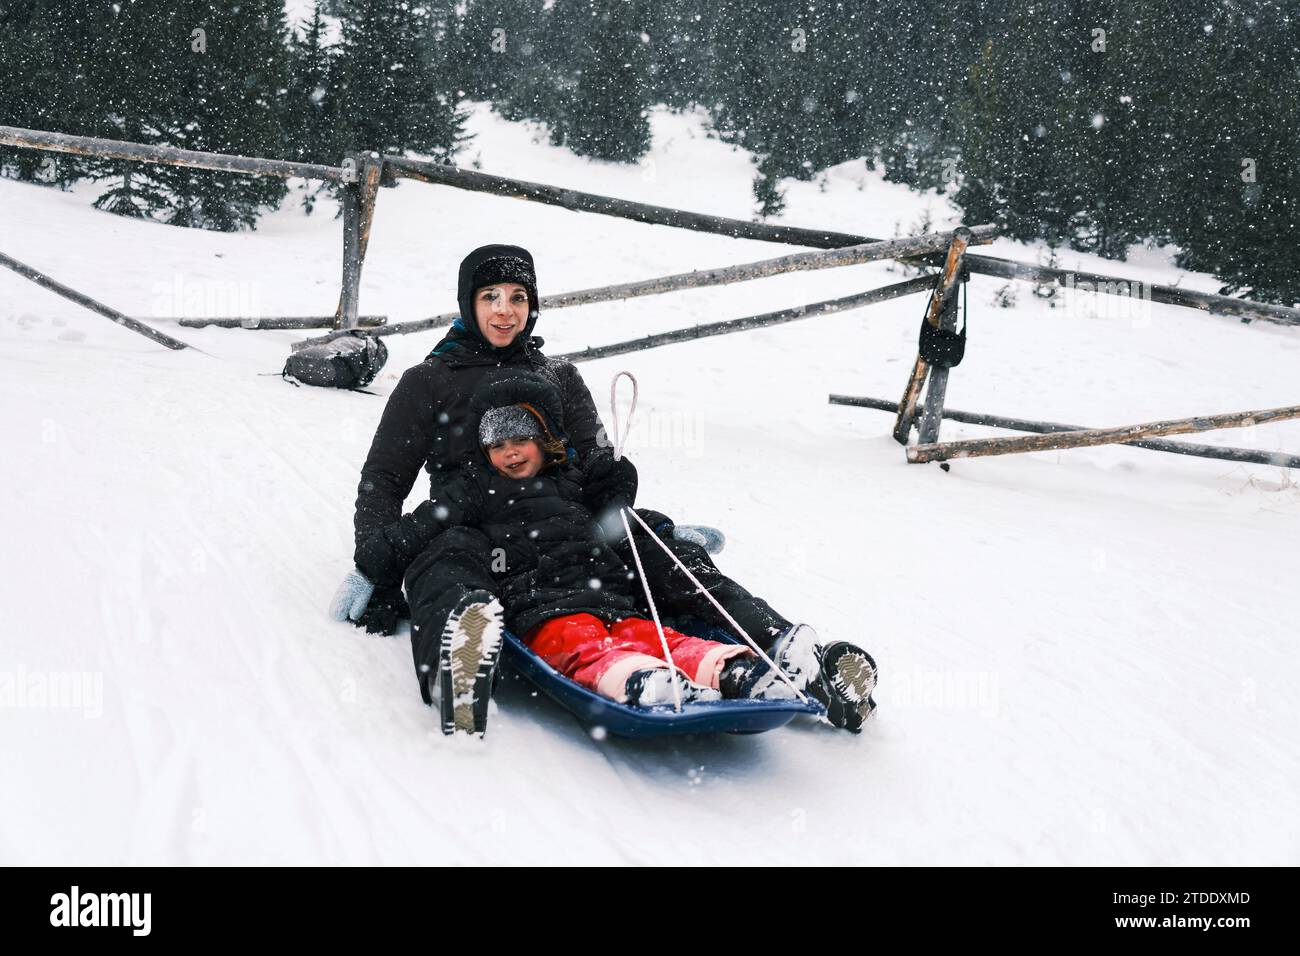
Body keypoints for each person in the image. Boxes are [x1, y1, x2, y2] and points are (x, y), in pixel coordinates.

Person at [331, 243, 877, 730]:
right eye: (491, 295)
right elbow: (384, 479)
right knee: (443, 565)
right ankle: (462, 667)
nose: (505, 310)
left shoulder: (558, 377)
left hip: (564, 518)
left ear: (532, 304)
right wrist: (374, 561)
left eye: (518, 296)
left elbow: (591, 460)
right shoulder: (428, 381)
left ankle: (790, 650)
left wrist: (618, 489)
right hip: (473, 519)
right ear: (468, 302)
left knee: (653, 548)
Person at [351, 372, 874, 734]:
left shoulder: (578, 482)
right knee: (586, 647)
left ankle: (754, 665)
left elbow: (620, 518)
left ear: (548, 436)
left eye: (520, 438)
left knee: (665, 639)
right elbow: (414, 536)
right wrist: (376, 559)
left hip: (617, 603)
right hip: (543, 606)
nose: (508, 451)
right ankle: (463, 651)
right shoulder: (469, 492)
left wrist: (620, 493)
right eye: (495, 441)